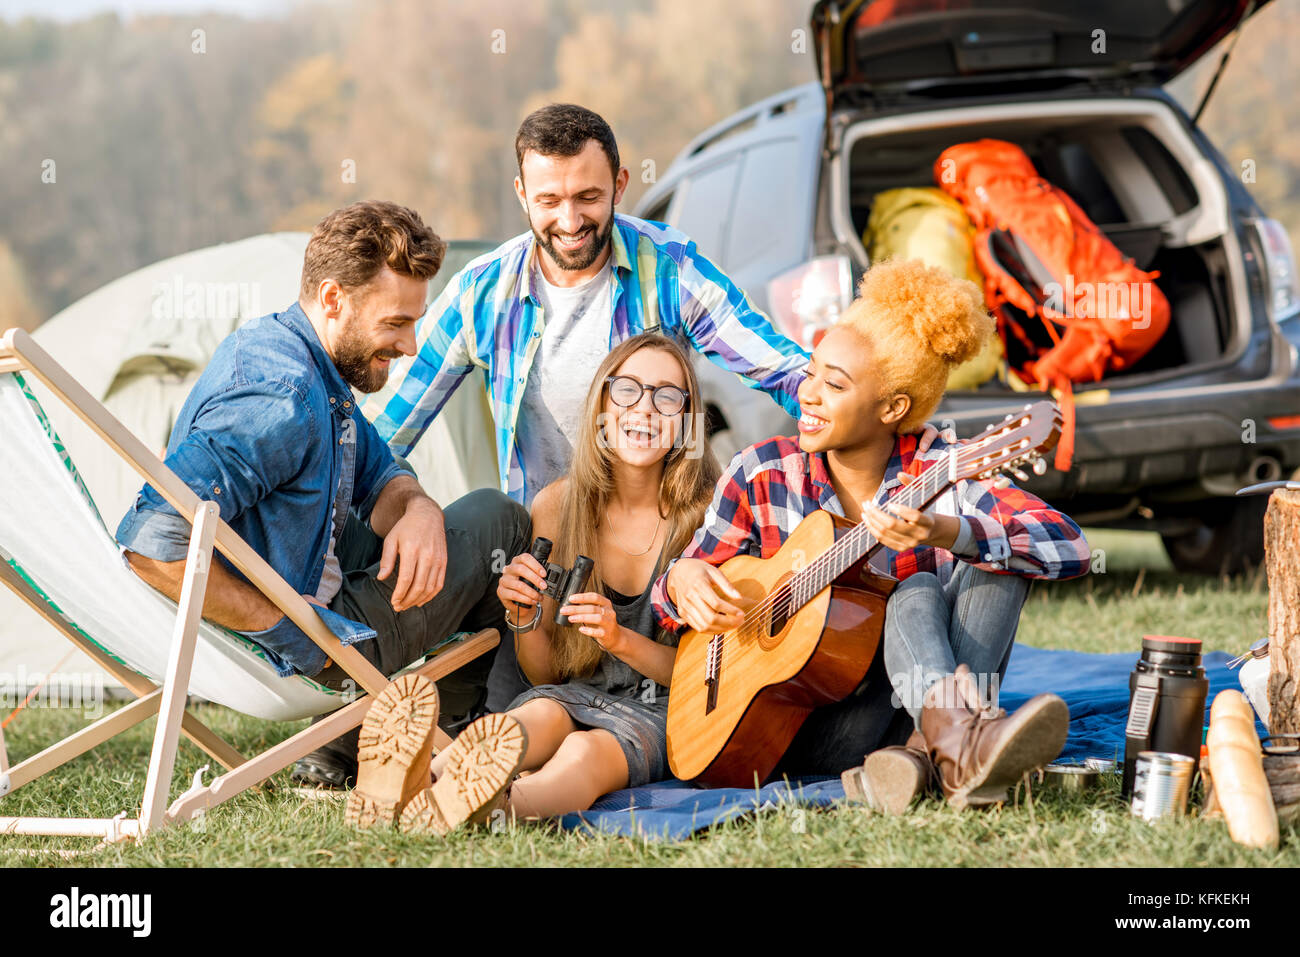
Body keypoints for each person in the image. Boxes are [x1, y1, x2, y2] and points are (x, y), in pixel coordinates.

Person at [358, 103, 812, 720]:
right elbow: (387, 431)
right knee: (471, 529)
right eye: (548, 200)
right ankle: (348, 717)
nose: (569, 220)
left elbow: (779, 366)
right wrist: (407, 504)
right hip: (543, 554)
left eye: (589, 196)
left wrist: (850, 408)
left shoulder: (670, 268)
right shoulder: (482, 290)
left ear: (621, 185)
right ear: (521, 194)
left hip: (656, 550)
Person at [114, 201, 532, 810]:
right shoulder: (281, 398)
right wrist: (290, 626)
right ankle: (448, 742)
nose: (412, 345)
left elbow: (378, 469)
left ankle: (356, 743)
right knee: (502, 521)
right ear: (334, 298)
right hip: (317, 635)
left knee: (452, 521)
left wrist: (416, 510)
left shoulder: (296, 356)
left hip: (312, 562)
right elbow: (151, 547)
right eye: (396, 323)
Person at [653, 258, 1092, 813]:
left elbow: (1070, 547)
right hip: (812, 726)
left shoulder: (942, 468)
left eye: (834, 385)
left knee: (978, 563)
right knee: (917, 588)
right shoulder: (762, 472)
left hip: (901, 712)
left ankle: (925, 751)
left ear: (892, 407)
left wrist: (947, 530)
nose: (807, 394)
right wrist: (685, 577)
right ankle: (954, 749)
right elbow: (665, 601)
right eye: (812, 372)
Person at [349, 332, 720, 833]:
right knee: (528, 722)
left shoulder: (708, 518)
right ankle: (417, 780)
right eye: (627, 390)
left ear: (687, 421)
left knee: (583, 754)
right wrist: (524, 620)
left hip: (660, 711)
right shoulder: (558, 506)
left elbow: (700, 676)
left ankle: (485, 808)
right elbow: (545, 676)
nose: (646, 409)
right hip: (572, 693)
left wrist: (619, 640)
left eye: (668, 396)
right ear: (603, 408)